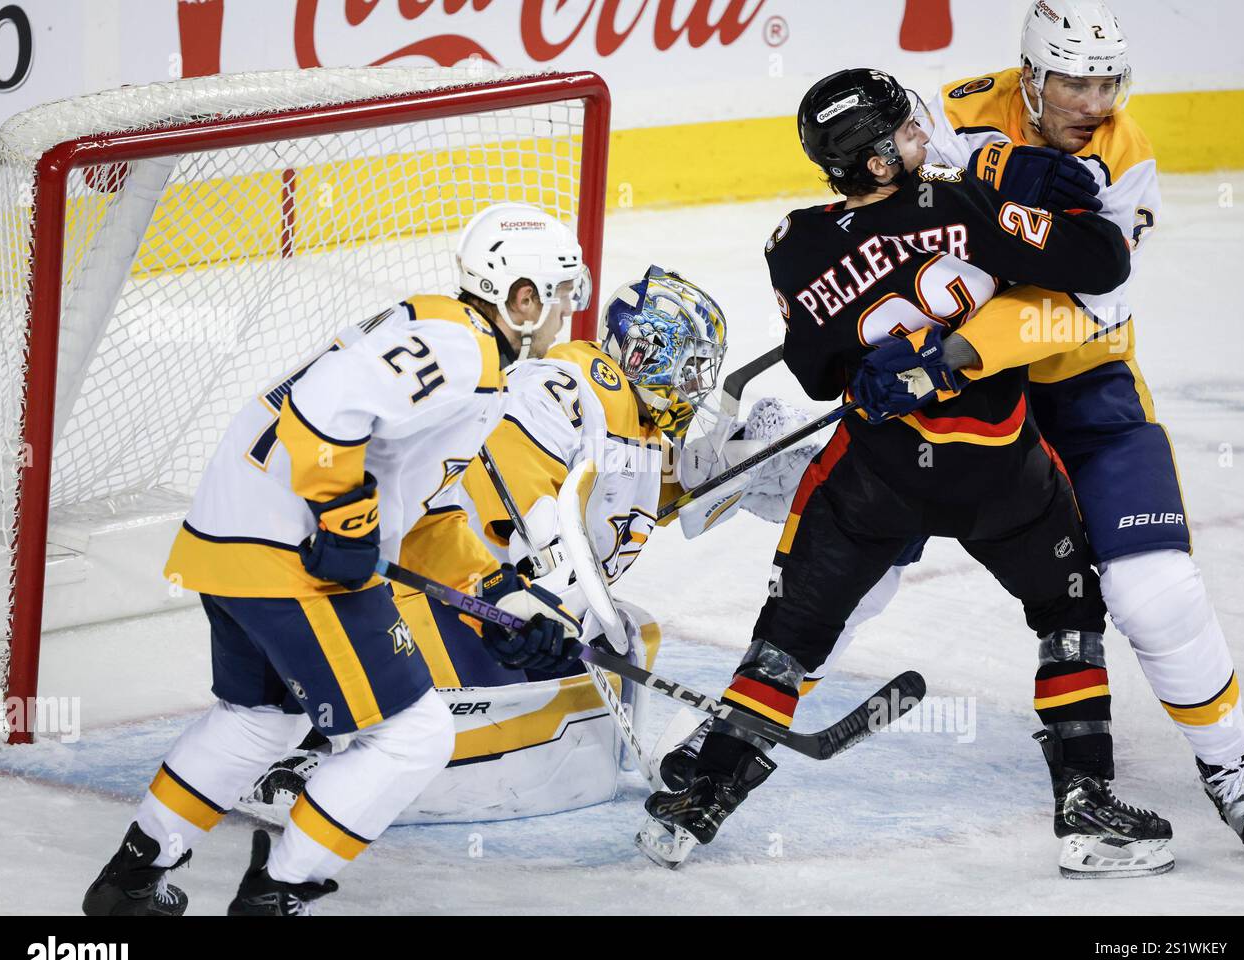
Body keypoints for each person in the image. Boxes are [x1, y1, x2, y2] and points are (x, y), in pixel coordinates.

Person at [640, 67, 1174, 879]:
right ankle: (1087, 807)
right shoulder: (966, 207)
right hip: (1002, 471)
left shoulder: (796, 244)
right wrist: (1020, 183)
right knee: (1068, 614)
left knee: (789, 637)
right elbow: (1102, 264)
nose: (928, 133)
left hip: (874, 478)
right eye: (909, 129)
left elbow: (821, 376)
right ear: (882, 159)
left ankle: (700, 802)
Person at [816, 0, 1244, 857]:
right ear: (1031, 75)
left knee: (1154, 592)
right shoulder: (954, 107)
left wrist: (947, 356)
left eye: (1106, 82)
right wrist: (1000, 167)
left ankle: (1234, 766)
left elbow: (1085, 305)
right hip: (959, 398)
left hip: (1077, 383)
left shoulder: (1127, 155)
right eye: (1071, 80)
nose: (1091, 101)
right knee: (857, 557)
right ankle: (741, 731)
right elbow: (885, 204)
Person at [81, 202, 588, 915]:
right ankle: (276, 896)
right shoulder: (463, 346)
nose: (571, 308)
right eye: (565, 291)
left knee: (263, 718)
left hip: (231, 537)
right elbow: (320, 409)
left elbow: (421, 510)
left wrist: (497, 599)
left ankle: (128, 881)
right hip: (289, 552)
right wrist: (345, 519)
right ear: (522, 297)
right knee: (414, 733)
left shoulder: (451, 341)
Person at [244, 266, 819, 825]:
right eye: (691, 368)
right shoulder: (576, 381)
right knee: (475, 678)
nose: (697, 386)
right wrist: (540, 578)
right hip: (446, 589)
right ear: (647, 354)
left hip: (494, 599)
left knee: (628, 635)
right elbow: (501, 465)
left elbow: (670, 493)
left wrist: (750, 453)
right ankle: (305, 752)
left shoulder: (638, 424)